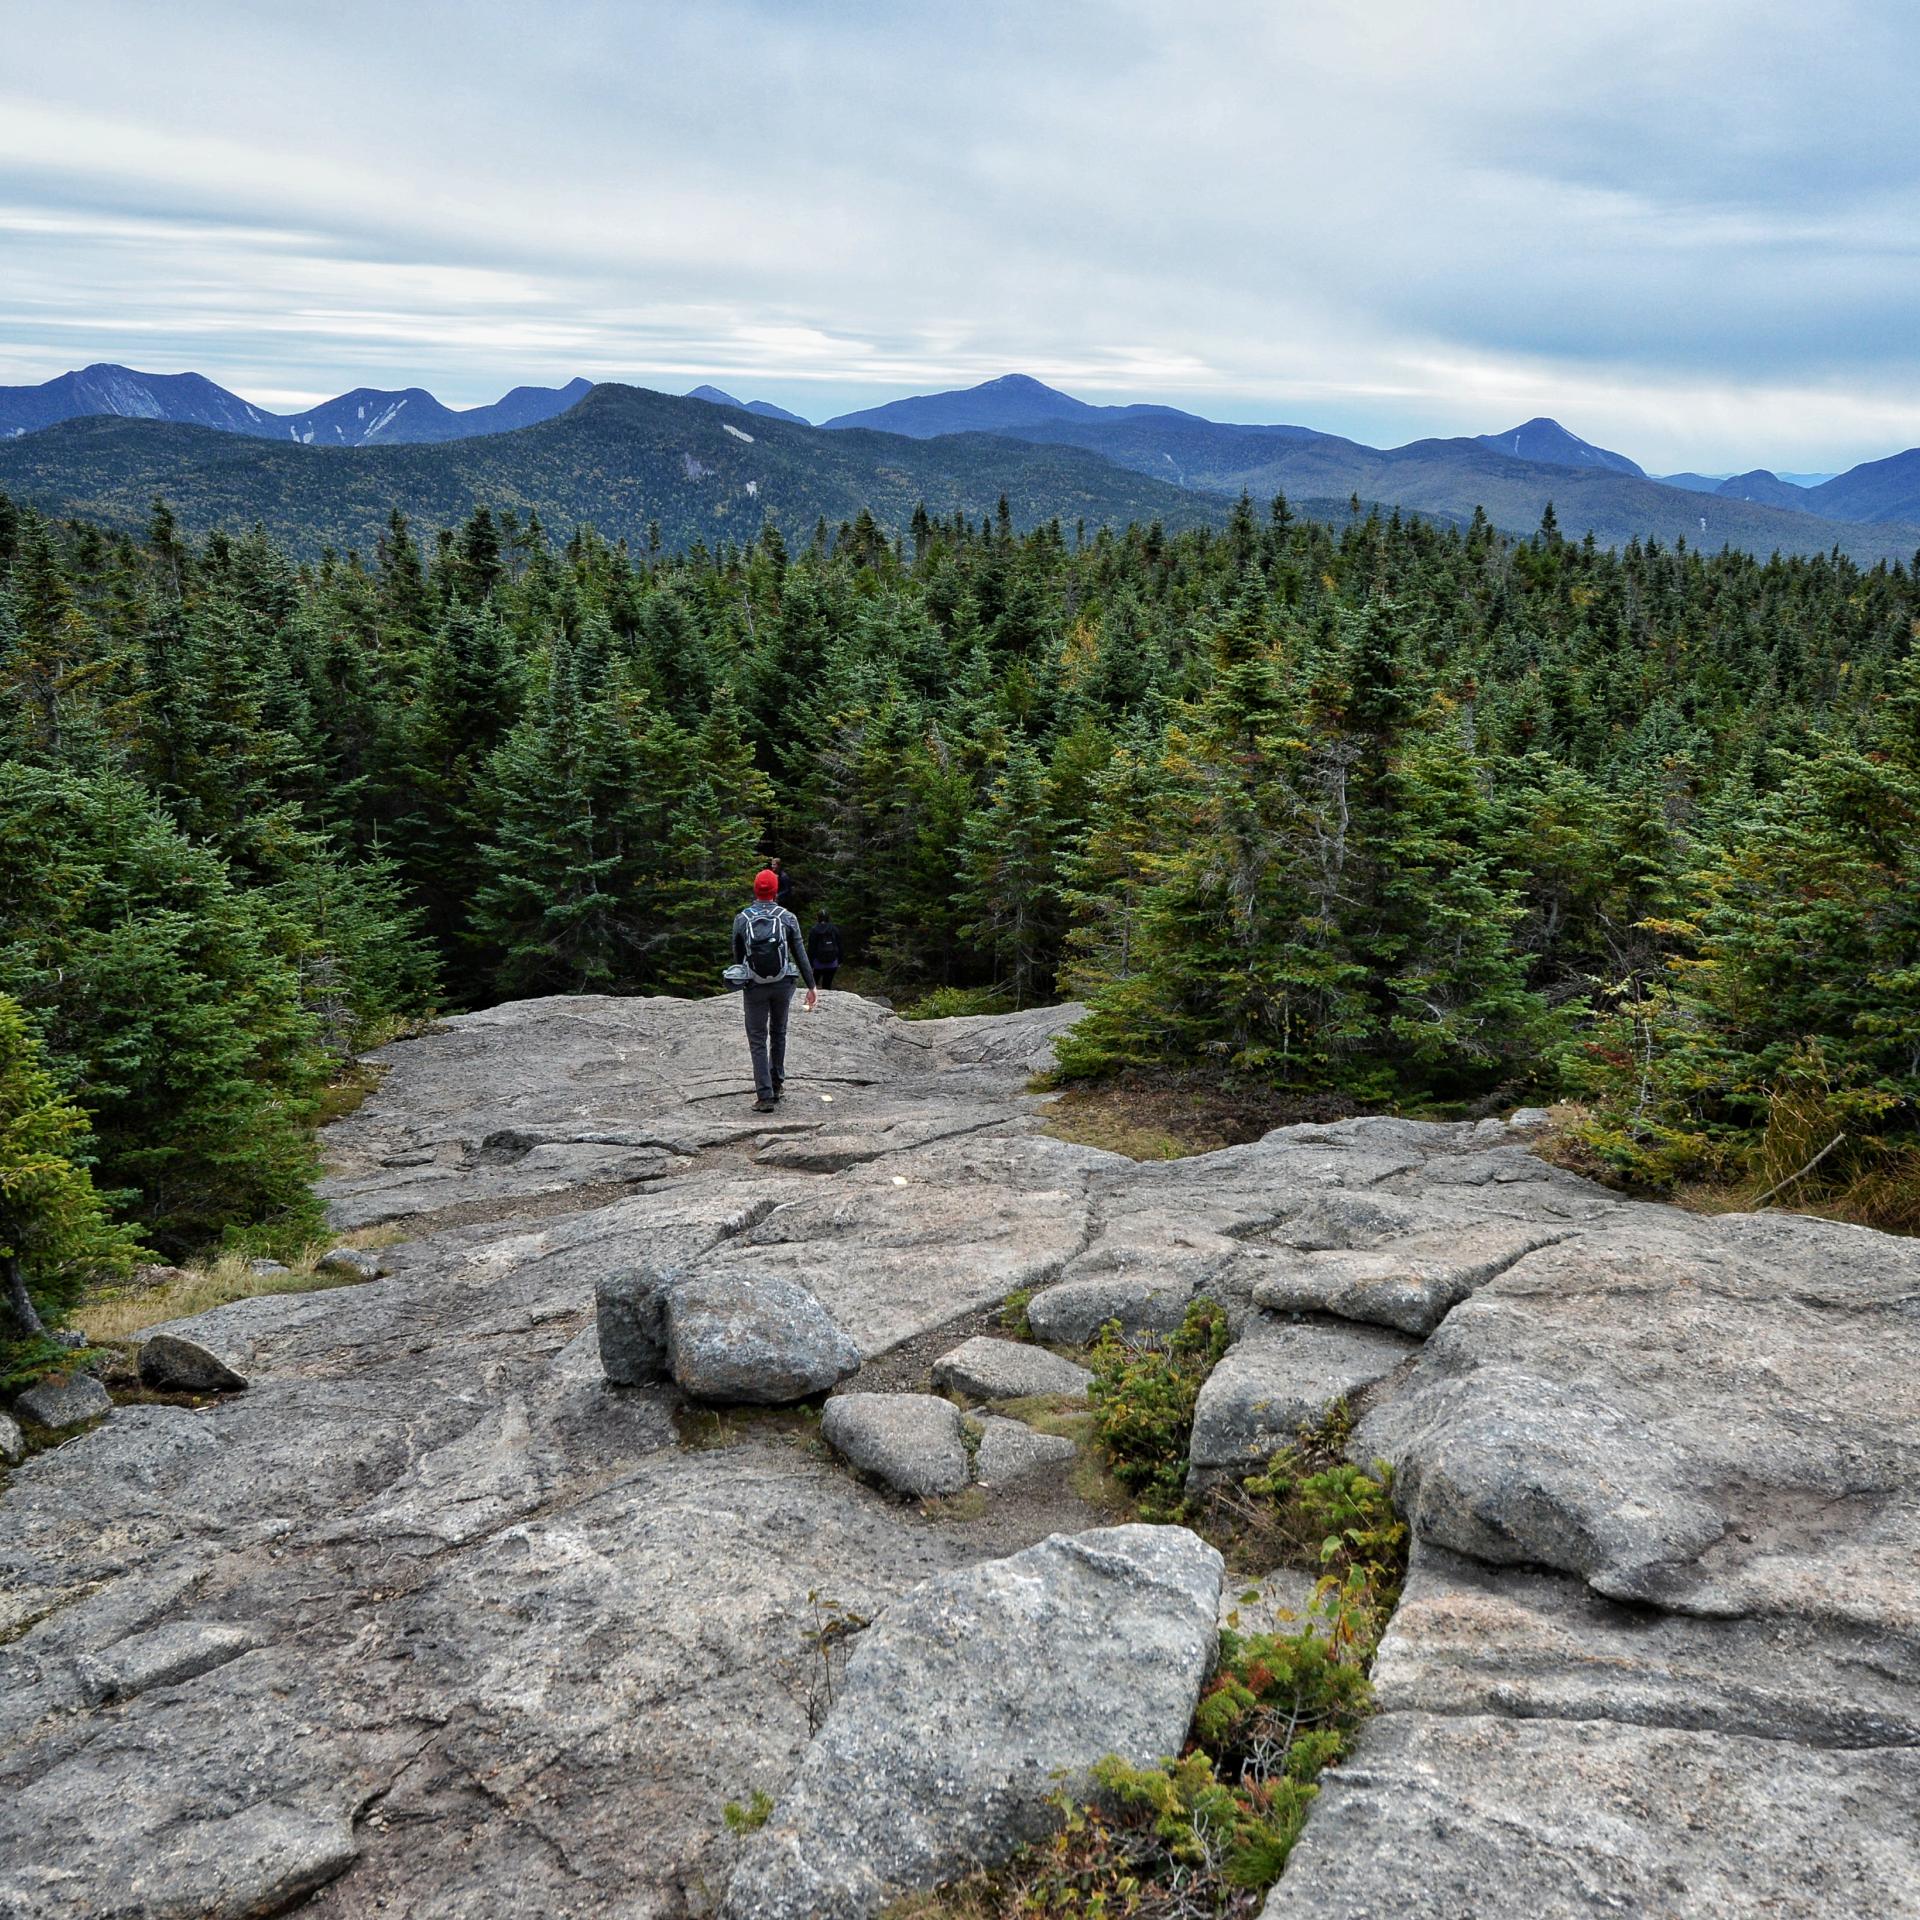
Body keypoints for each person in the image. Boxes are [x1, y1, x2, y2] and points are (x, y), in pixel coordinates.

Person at [733, 868, 816, 1112]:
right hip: (783, 984)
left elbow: (738, 956)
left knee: (757, 1038)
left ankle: (765, 1095)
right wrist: (811, 986)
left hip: (755, 985)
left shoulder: (742, 918)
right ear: (776, 891)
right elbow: (799, 953)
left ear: (755, 890)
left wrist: (745, 977)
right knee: (778, 1032)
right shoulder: (787, 917)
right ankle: (777, 1082)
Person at [807, 912, 843, 990]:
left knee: (814, 985)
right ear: (828, 918)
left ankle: (814, 999)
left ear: (818, 918)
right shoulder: (834, 929)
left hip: (817, 963)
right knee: (827, 985)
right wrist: (840, 961)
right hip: (832, 962)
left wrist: (810, 963)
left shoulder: (814, 930)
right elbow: (839, 945)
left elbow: (811, 948)